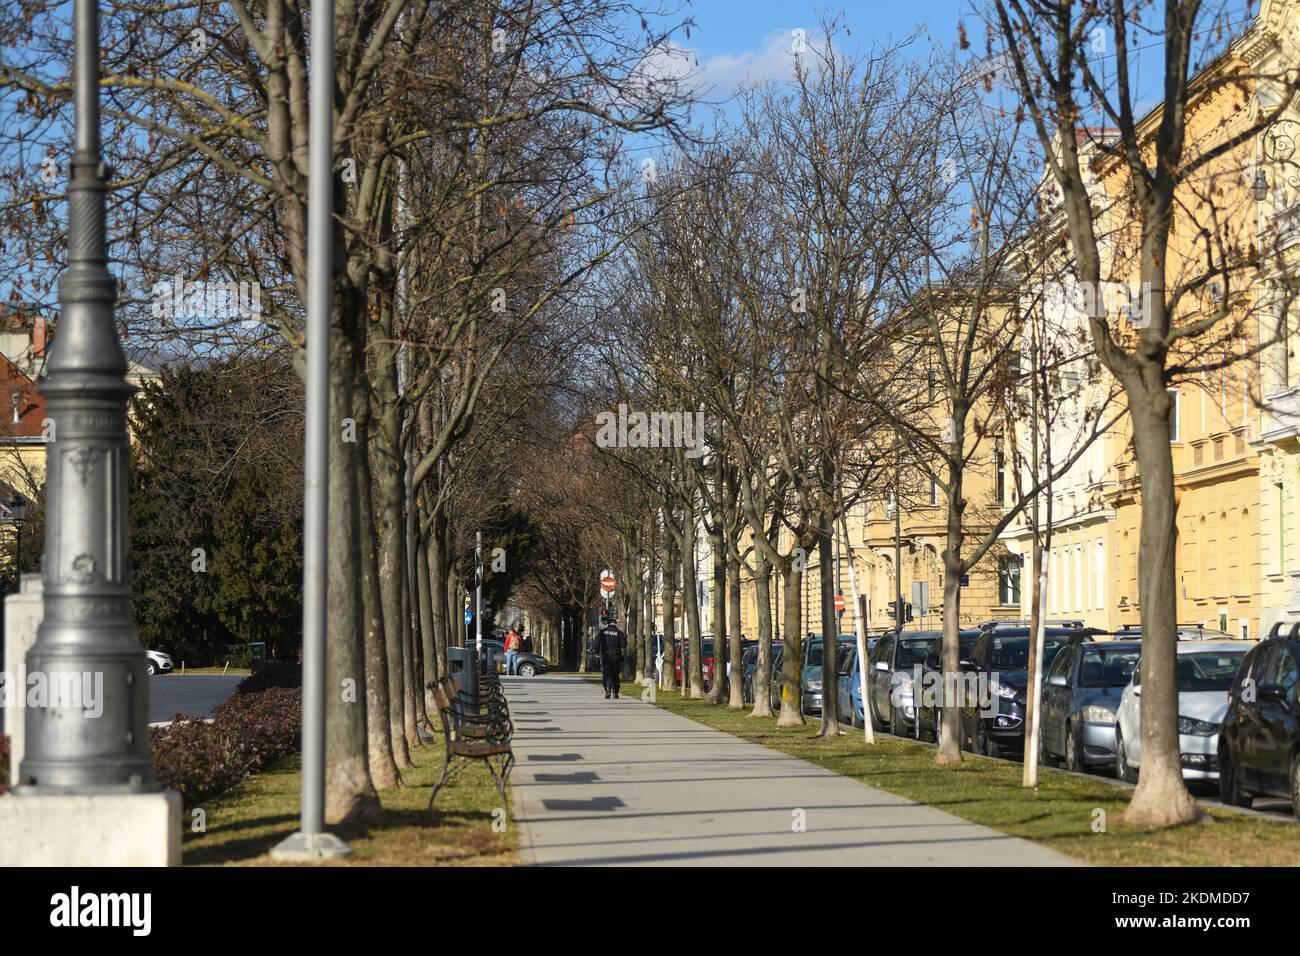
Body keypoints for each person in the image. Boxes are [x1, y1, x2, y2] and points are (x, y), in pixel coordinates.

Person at [594, 614, 628, 699]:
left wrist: (597, 652)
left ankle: (608, 689)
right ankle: (615, 692)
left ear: (608, 623)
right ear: (615, 622)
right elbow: (624, 645)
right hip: (616, 657)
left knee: (607, 673)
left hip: (606, 656)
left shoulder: (602, 632)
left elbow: (596, 643)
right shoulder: (619, 633)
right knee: (615, 674)